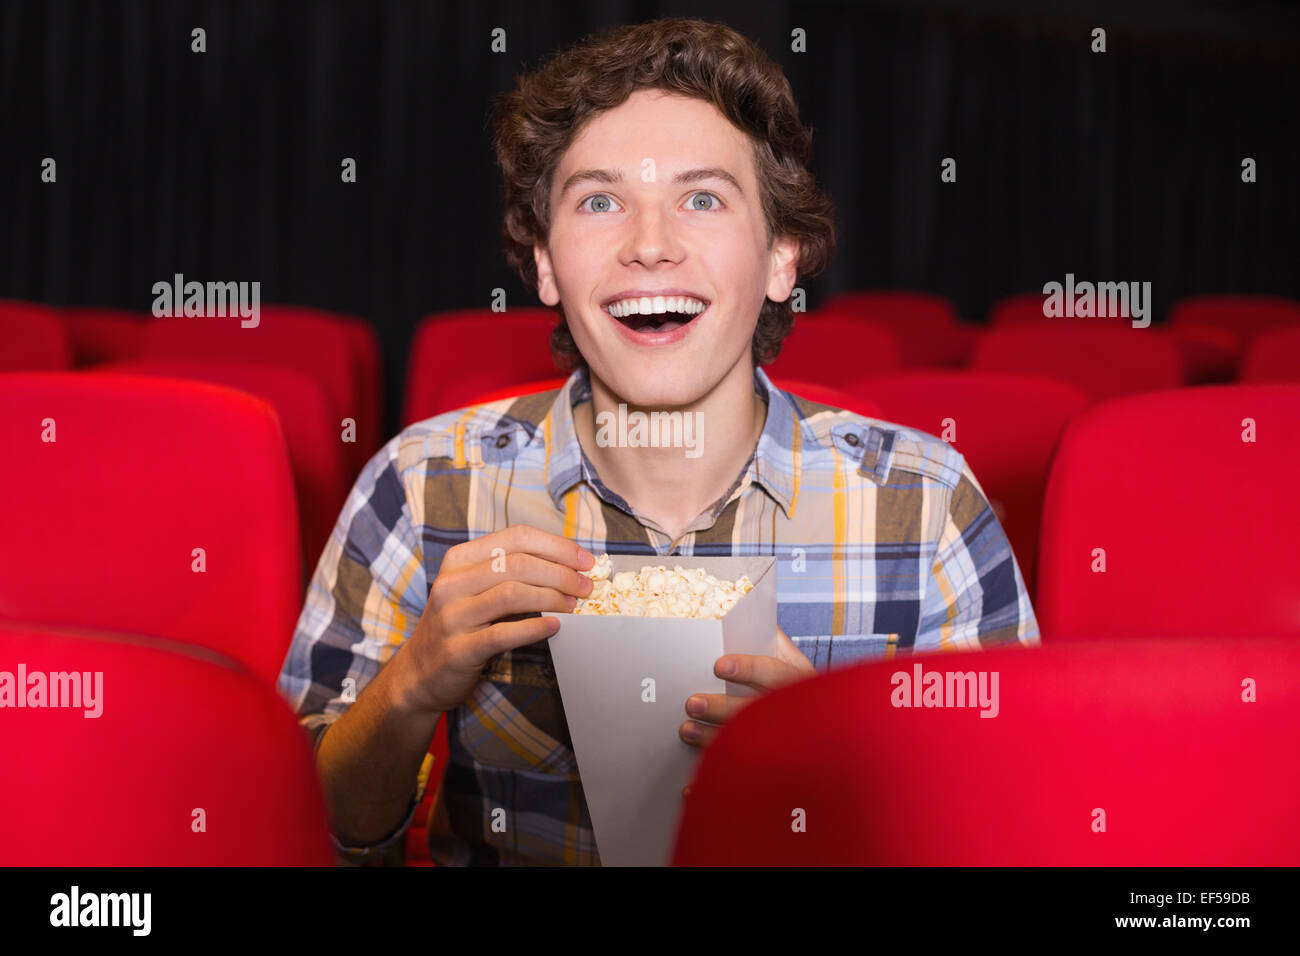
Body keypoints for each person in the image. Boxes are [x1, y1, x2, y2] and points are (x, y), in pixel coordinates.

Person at [278, 17, 1039, 867]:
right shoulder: (422, 486)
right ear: (544, 264)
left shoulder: (926, 507)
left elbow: (1010, 837)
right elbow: (315, 834)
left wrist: (833, 761)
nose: (649, 245)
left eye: (702, 198)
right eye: (600, 201)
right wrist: (412, 684)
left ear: (782, 256)